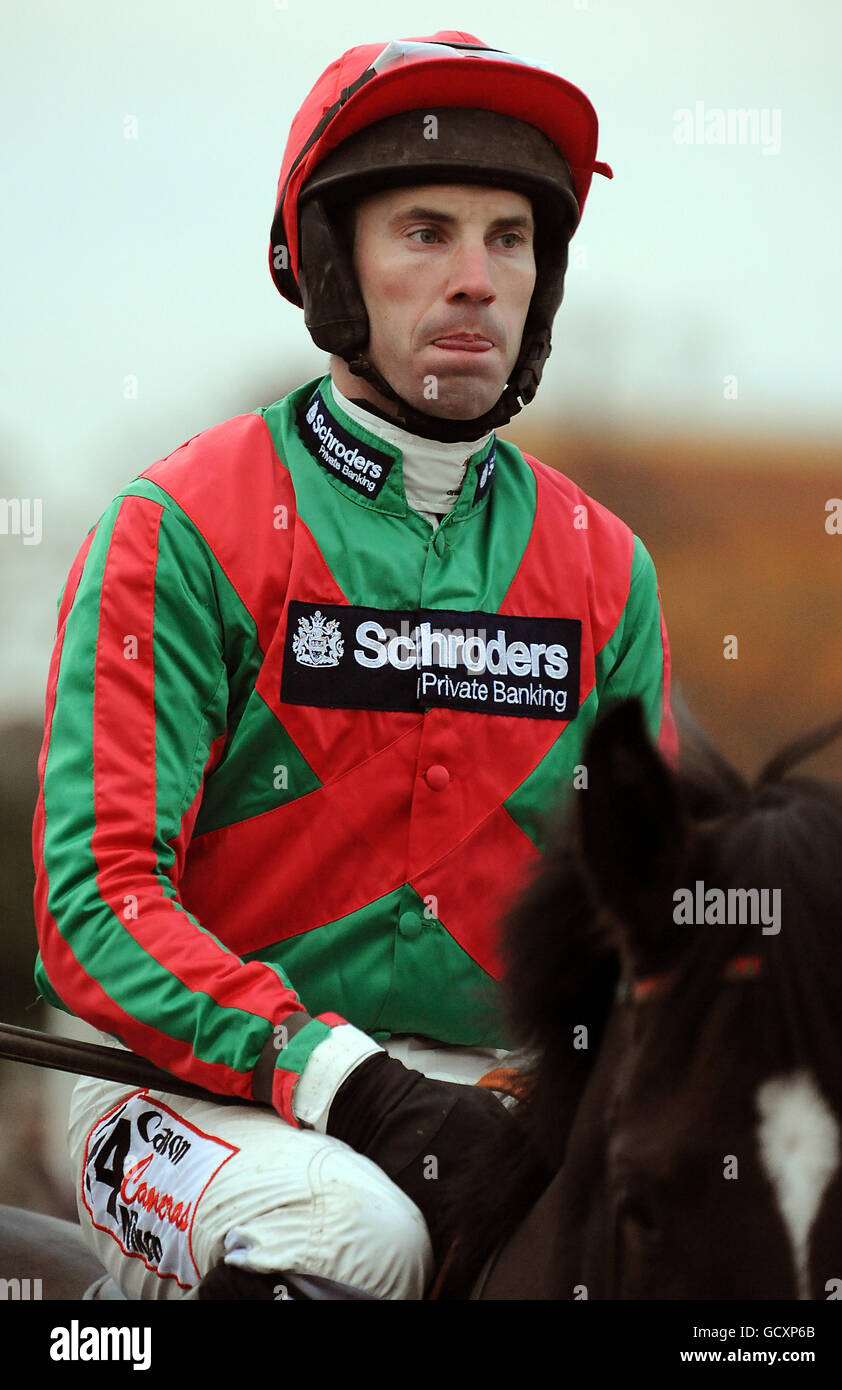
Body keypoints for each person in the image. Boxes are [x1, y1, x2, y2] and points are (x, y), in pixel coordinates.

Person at [32, 32, 677, 1300]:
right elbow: (93, 906)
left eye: (509, 239)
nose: (477, 279)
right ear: (329, 268)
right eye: (425, 231)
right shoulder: (177, 529)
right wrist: (351, 1081)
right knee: (360, 1237)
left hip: (492, 1089)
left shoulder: (609, 573)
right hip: (167, 1085)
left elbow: (637, 909)